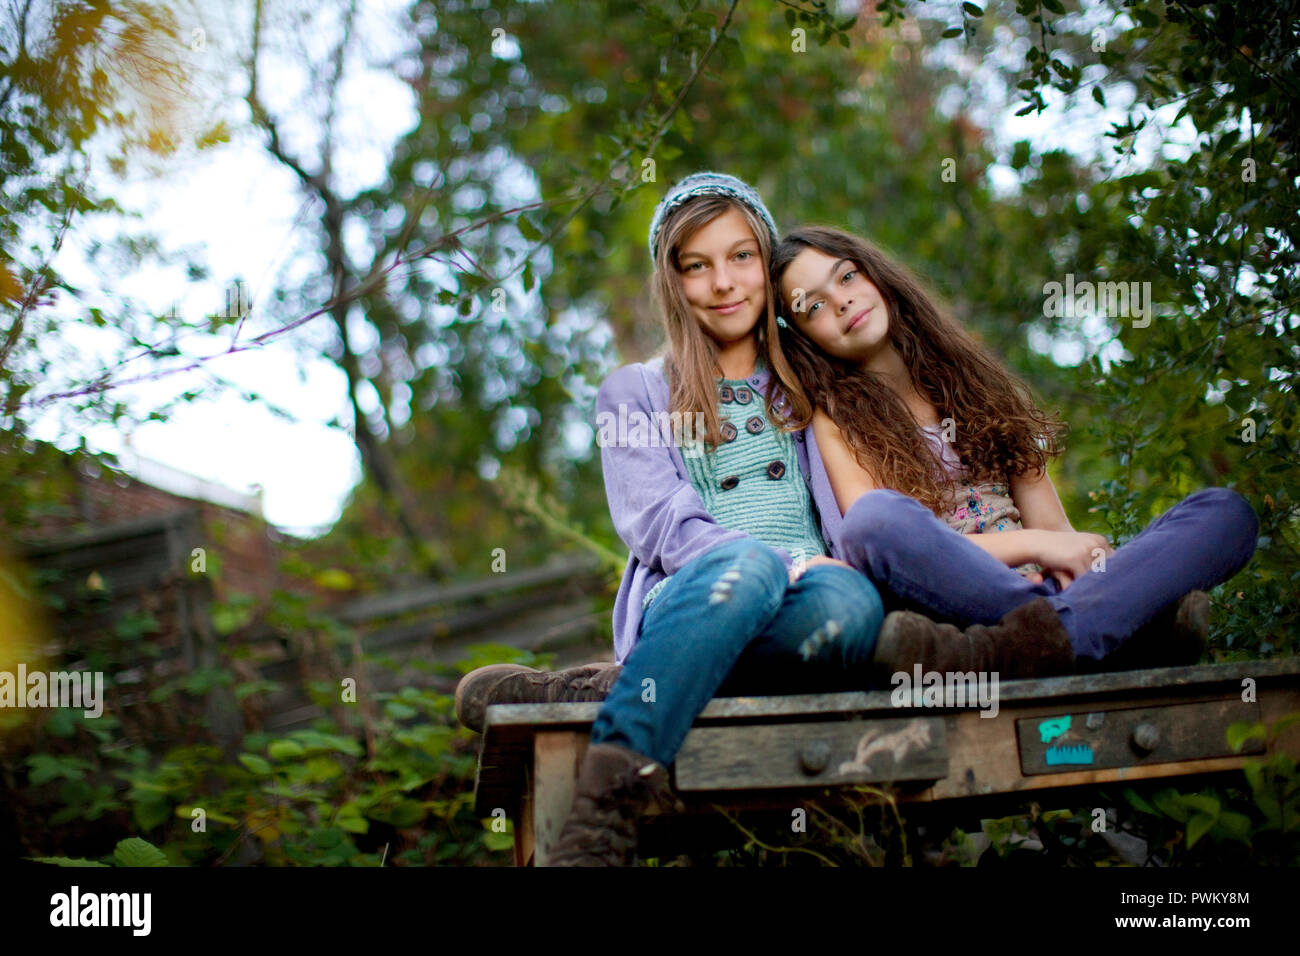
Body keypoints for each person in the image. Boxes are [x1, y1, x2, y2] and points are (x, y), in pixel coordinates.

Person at [504, 174, 887, 866]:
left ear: (766, 265)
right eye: (697, 265)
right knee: (749, 565)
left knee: (854, 606)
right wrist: (782, 560)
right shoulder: (637, 391)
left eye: (741, 257)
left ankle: (653, 678)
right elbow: (660, 525)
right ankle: (606, 805)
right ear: (672, 281)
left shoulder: (813, 385)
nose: (723, 283)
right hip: (702, 587)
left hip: (810, 598)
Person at [769, 225, 1260, 679]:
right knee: (874, 520)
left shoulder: (971, 381)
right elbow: (870, 539)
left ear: (874, 274)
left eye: (847, 276)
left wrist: (1079, 555)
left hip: (1043, 589)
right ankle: (1115, 630)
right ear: (803, 338)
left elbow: (1057, 532)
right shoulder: (835, 419)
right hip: (957, 602)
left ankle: (1036, 642)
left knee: (1225, 513)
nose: (841, 301)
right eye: (812, 306)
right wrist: (1041, 547)